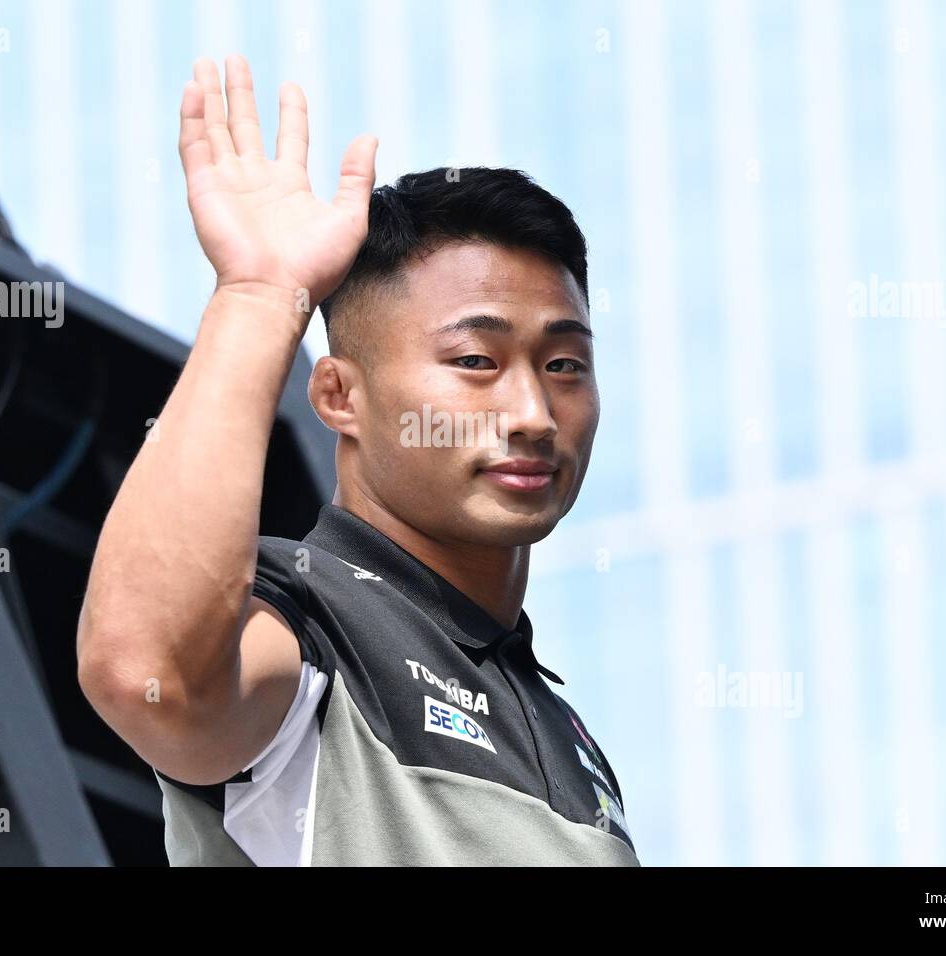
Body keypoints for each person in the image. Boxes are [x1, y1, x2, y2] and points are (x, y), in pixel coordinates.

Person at [77, 52, 637, 866]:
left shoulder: (572, 740)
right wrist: (261, 294)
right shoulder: (310, 623)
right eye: (476, 362)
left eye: (564, 367)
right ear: (340, 395)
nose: (532, 415)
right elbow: (146, 672)